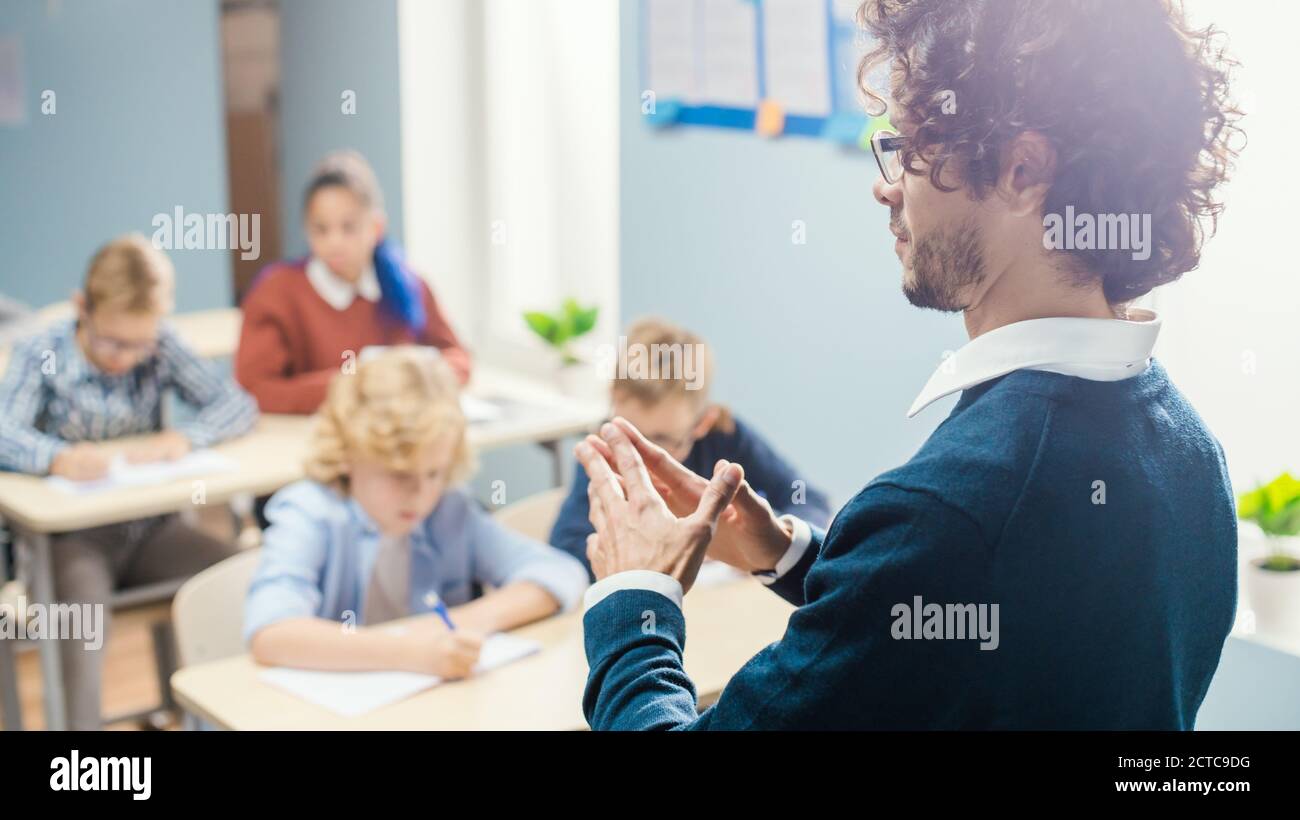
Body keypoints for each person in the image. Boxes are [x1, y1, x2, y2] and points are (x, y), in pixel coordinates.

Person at [575, 0, 1243, 729]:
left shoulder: (953, 509)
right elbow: (999, 636)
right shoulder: (1188, 451)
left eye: (910, 148)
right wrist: (791, 558)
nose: (885, 184)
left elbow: (962, 554)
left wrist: (635, 599)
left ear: (1022, 170)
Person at [0, 234, 258, 729]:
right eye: (113, 342)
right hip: (71, 544)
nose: (125, 357)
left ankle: (213, 718)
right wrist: (56, 458)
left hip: (151, 532)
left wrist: (188, 437)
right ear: (83, 309)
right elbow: (4, 432)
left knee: (243, 579)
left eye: (139, 345)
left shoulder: (159, 346)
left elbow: (235, 404)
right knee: (81, 625)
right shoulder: (41, 352)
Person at [244, 348, 588, 676]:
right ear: (348, 454)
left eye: (434, 473)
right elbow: (271, 631)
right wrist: (410, 652)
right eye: (400, 475)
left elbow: (561, 572)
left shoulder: (450, 509)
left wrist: (462, 624)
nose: (421, 494)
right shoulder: (308, 513)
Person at [550, 316, 831, 580]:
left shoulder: (725, 436)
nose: (636, 456)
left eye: (660, 440)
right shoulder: (605, 452)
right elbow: (566, 549)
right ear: (614, 402)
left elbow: (808, 501)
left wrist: (757, 541)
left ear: (702, 424)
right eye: (627, 435)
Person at [236, 150, 471, 415]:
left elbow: (459, 359)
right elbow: (255, 391)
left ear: (376, 227)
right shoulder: (276, 292)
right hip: (316, 441)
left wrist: (413, 376)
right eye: (321, 229)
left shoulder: (409, 284)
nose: (334, 242)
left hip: (401, 438)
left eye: (349, 227)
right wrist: (354, 384)